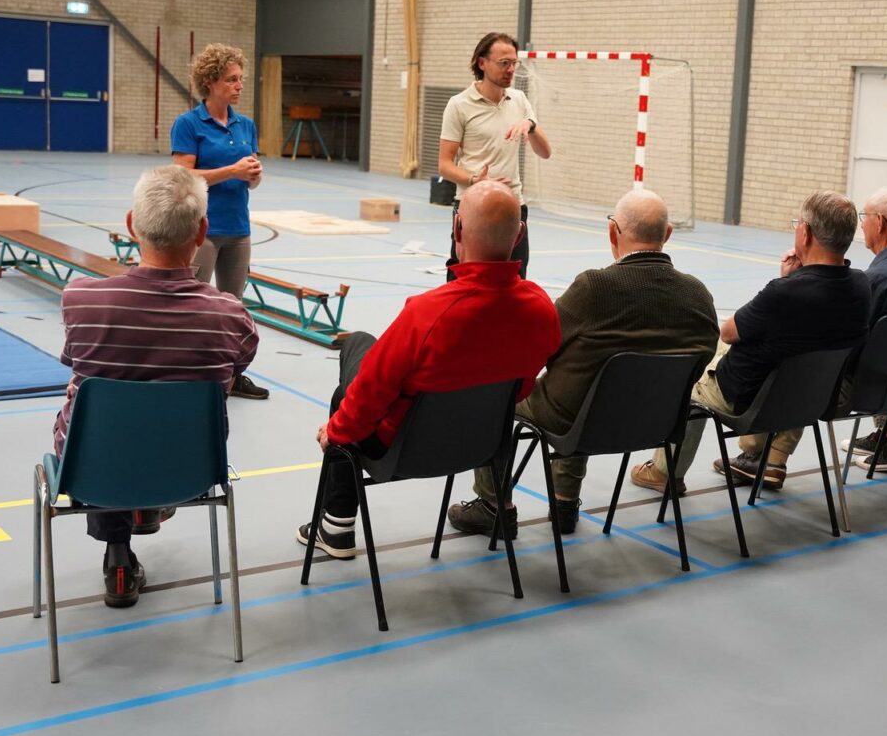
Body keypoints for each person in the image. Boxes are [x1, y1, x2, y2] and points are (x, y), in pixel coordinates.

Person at [299, 181, 560, 558]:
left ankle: (336, 524)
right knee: (363, 352)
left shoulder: (425, 313)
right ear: (520, 235)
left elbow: (370, 394)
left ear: (457, 229)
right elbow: (519, 390)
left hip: (403, 450)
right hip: (483, 444)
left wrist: (336, 432)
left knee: (352, 367)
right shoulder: (541, 309)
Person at [454, 188, 718, 536]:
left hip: (584, 422)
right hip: (660, 423)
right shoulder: (698, 293)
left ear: (612, 232)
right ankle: (564, 503)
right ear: (667, 235)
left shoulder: (594, 288)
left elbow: (542, 344)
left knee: (505, 394)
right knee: (587, 380)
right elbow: (704, 354)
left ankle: (493, 506)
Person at [55, 166, 259, 608]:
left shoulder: (81, 300)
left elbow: (78, 364)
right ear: (202, 231)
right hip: (193, 466)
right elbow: (231, 375)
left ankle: (118, 554)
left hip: (94, 468)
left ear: (132, 225)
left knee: (94, 415)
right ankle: (151, 501)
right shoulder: (231, 315)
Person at [630, 190, 872, 495]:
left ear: (806, 233)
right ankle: (763, 457)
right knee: (797, 362)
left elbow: (729, 332)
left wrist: (785, 281)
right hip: (811, 397)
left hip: (749, 397)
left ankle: (666, 472)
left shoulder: (784, 294)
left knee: (691, 376)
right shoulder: (861, 286)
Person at [729, 187, 887, 486]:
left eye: (865, 217)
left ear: (880, 223)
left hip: (858, 389)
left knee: (798, 355)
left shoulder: (875, 281)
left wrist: (796, 283)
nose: (862, 224)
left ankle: (767, 458)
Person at [172, 42, 269, 401]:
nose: (239, 86)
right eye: (231, 79)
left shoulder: (246, 126)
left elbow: (250, 178)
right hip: (203, 231)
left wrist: (253, 176)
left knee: (233, 307)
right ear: (211, 82)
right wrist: (232, 170)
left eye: (240, 79)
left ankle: (231, 373)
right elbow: (183, 177)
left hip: (238, 229)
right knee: (192, 304)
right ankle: (186, 373)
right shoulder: (188, 124)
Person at [437, 32, 553, 281]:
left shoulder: (519, 100)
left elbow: (545, 152)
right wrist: (475, 181)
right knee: (464, 282)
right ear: (482, 63)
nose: (510, 69)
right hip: (472, 207)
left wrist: (531, 126)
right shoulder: (459, 105)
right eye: (504, 63)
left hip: (513, 207)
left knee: (515, 281)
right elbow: (445, 165)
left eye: (514, 63)